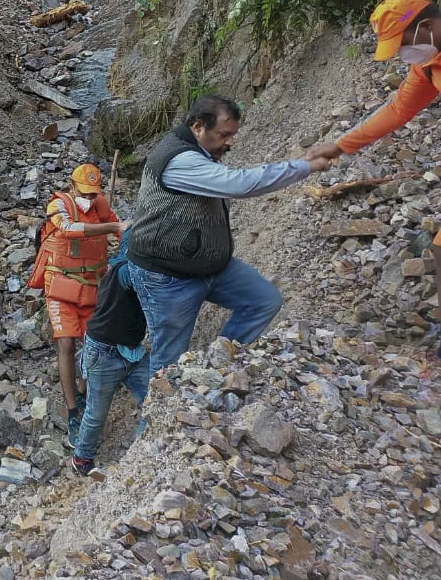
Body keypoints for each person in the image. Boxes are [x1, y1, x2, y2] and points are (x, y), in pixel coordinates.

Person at [125, 94, 331, 373]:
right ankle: (161, 414)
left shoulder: (201, 152)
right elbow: (239, 184)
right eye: (224, 134)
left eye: (232, 134)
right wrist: (304, 167)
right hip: (166, 276)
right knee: (168, 366)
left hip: (210, 265)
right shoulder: (180, 161)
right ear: (198, 126)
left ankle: (219, 367)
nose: (230, 142)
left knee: (263, 301)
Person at [306, 0, 441, 364]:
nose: (405, 54)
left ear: (427, 26)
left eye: (404, 44)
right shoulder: (431, 65)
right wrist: (338, 147)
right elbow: (399, 110)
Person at [29, 164, 123, 448]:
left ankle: (83, 392)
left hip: (92, 287)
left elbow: (121, 231)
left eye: (94, 194)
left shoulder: (101, 206)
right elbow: (69, 230)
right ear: (72, 186)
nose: (90, 199)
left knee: (92, 345)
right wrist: (112, 227)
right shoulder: (59, 205)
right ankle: (72, 410)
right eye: (85, 193)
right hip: (60, 286)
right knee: (67, 344)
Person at [71, 245, 149, 478]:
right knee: (96, 413)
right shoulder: (125, 271)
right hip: (103, 352)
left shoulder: (132, 268)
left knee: (156, 397)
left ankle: (140, 453)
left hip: (133, 351)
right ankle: (81, 458)